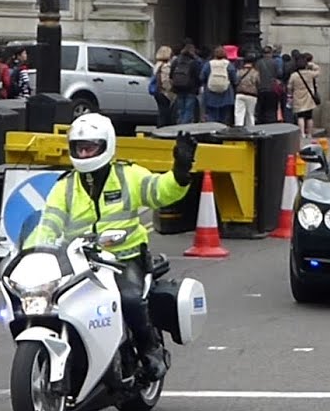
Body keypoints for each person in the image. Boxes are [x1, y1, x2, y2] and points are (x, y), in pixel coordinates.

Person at [23, 113, 198, 382]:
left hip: (125, 258)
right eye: (79, 148)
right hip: (78, 262)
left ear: (106, 146)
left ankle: (150, 350)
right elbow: (48, 223)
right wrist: (32, 254)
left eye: (90, 147)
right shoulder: (65, 186)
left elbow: (160, 191)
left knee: (130, 300)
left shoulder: (128, 175)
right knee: (54, 304)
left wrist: (180, 172)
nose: (84, 153)